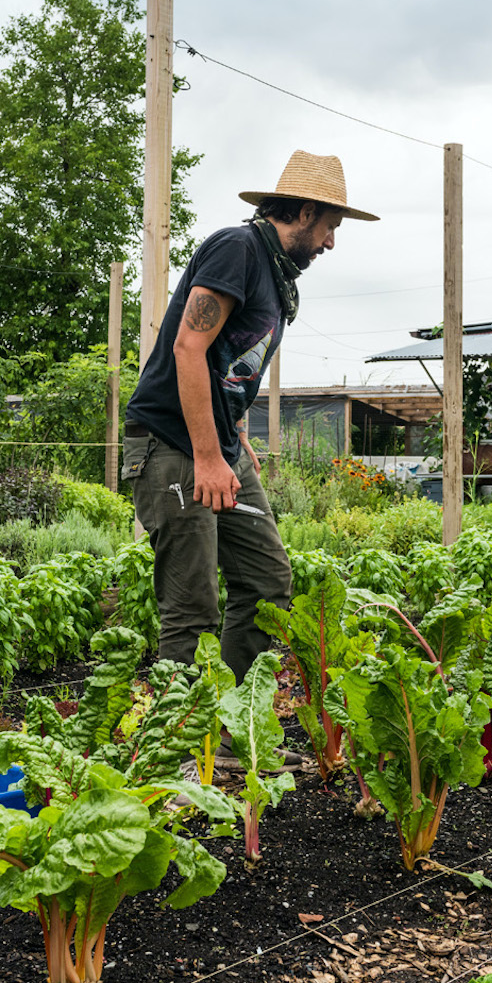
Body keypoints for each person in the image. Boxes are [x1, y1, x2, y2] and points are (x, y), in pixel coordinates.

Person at [122, 150, 377, 765]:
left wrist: (236, 443)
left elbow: (226, 370)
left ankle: (236, 736)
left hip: (219, 449)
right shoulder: (236, 248)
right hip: (173, 449)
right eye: (330, 226)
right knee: (192, 605)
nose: (332, 242)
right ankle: (177, 754)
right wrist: (210, 457)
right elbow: (189, 346)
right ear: (306, 211)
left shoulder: (273, 273)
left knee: (267, 582)